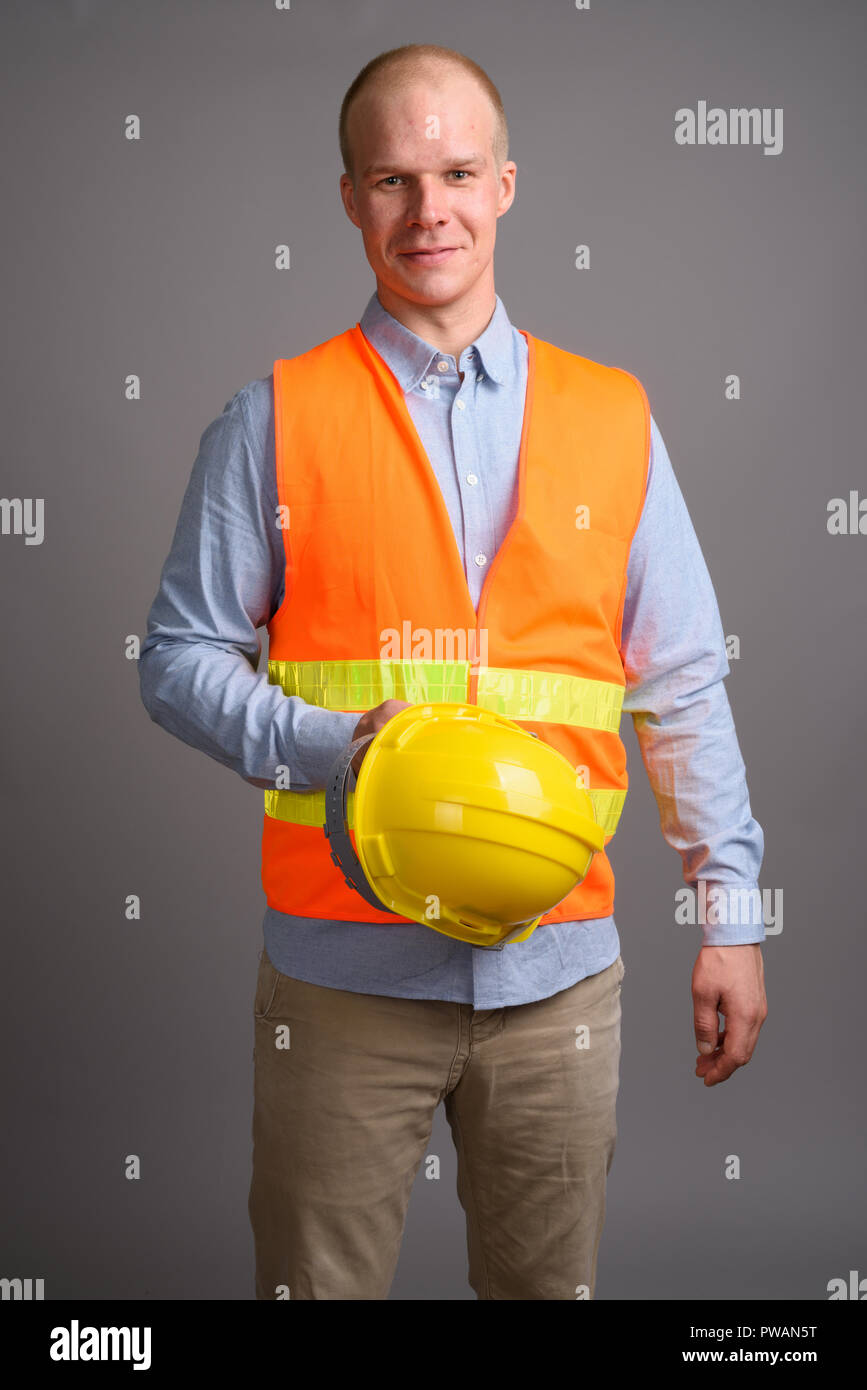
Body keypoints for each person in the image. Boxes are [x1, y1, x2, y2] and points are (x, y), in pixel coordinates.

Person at [138, 42, 768, 1301]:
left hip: (560, 983)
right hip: (340, 983)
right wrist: (342, 749)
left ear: (507, 186)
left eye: (459, 173)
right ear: (350, 197)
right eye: (393, 179)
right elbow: (174, 660)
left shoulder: (612, 413)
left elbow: (683, 681)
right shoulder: (275, 417)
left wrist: (730, 916)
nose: (430, 211)